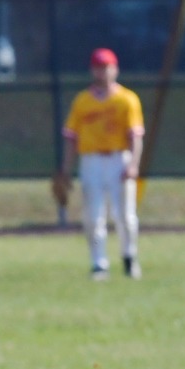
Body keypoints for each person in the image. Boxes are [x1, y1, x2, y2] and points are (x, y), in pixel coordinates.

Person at [58, 47, 145, 281]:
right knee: (93, 215)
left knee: (125, 215)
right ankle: (99, 264)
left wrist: (134, 164)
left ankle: (129, 257)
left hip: (119, 158)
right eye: (98, 67)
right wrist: (66, 169)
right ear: (92, 71)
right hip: (91, 161)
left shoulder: (127, 99)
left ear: (115, 69)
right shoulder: (83, 101)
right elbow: (71, 137)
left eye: (106, 67)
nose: (102, 72)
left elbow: (135, 136)